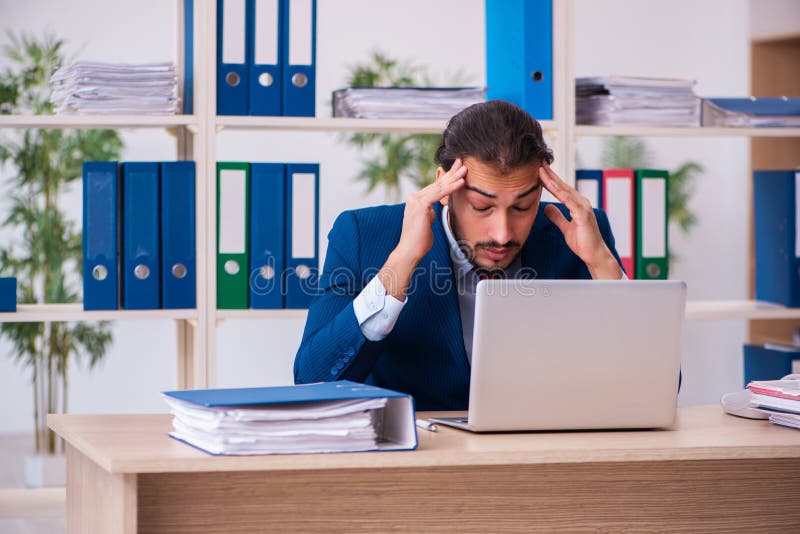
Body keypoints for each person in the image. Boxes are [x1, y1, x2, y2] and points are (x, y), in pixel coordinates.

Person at [293, 100, 624, 410]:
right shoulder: (363, 233)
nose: (503, 233)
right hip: (418, 460)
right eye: (482, 207)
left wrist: (603, 267)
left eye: (523, 207)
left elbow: (663, 388)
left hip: (547, 457)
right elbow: (313, 382)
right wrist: (401, 262)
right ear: (445, 189)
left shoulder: (580, 234)